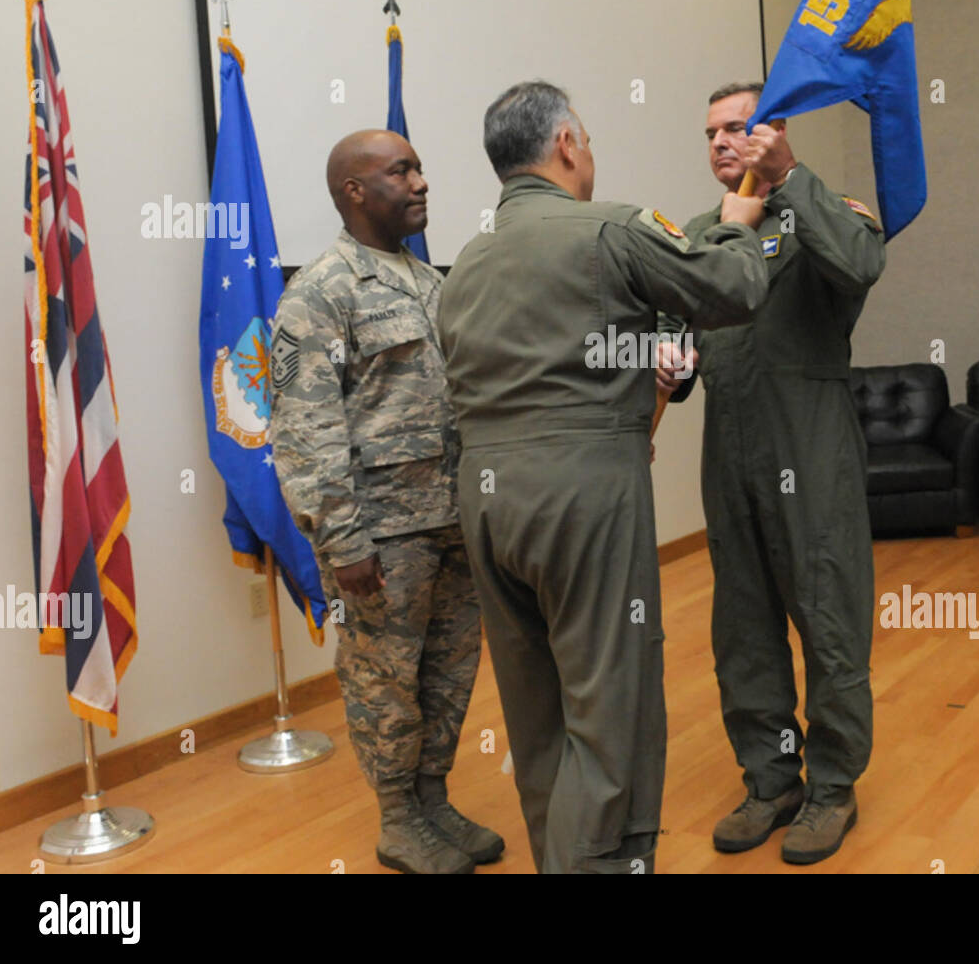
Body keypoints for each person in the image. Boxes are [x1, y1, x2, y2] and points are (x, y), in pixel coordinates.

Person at [437, 81, 769, 874]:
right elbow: (734, 291)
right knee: (609, 700)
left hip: (487, 499)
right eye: (584, 138)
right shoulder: (611, 229)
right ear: (565, 145)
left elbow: (542, 361)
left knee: (535, 707)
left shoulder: (464, 266)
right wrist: (734, 230)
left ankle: (562, 860)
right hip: (582, 492)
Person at [656, 82, 885, 864]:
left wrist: (788, 182)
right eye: (711, 131)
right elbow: (676, 355)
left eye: (739, 128)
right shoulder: (697, 233)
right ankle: (770, 780)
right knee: (744, 631)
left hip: (810, 443)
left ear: (775, 133)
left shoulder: (830, 211)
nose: (722, 142)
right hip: (730, 452)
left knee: (828, 619)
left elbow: (859, 268)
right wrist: (660, 359)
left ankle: (831, 788)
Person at [270, 130, 503, 875]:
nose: (420, 181)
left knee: (448, 671)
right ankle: (398, 819)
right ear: (354, 192)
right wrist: (343, 542)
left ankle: (432, 799)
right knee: (384, 681)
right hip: (381, 535)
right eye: (400, 171)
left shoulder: (428, 282)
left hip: (454, 519)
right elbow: (307, 429)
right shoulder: (320, 293)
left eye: (419, 167)